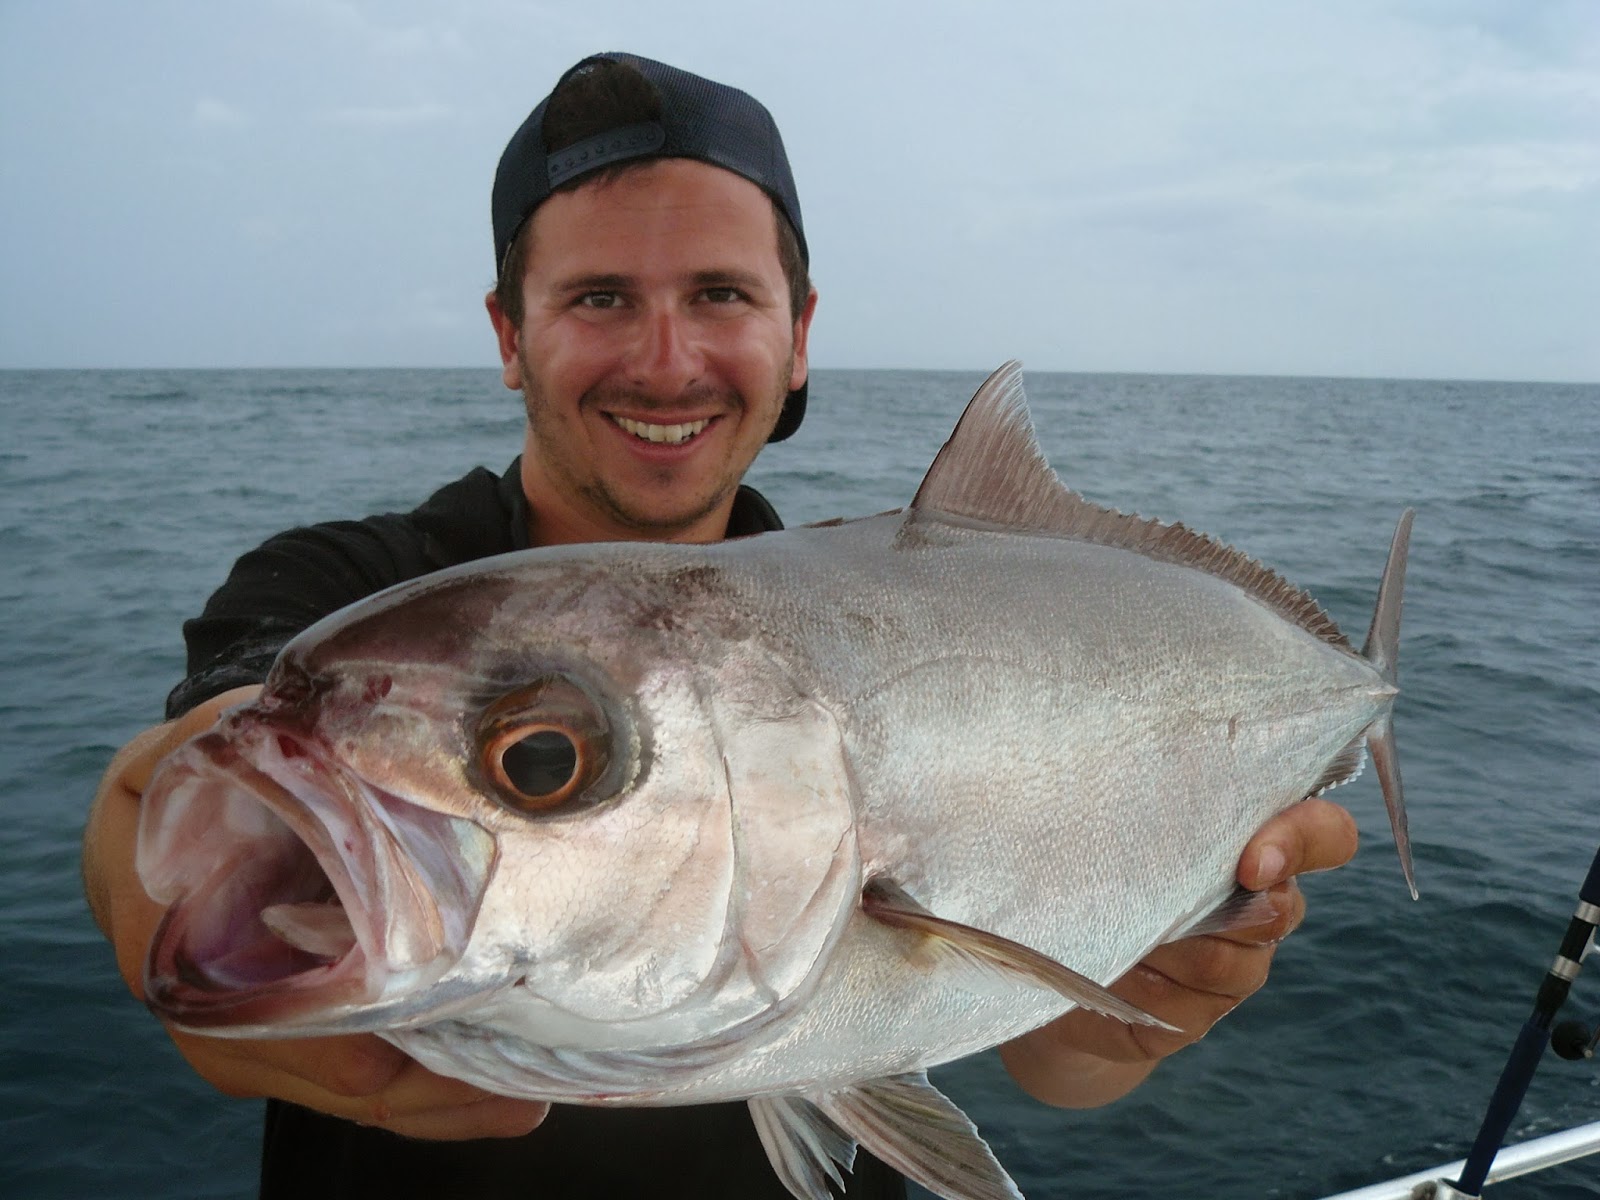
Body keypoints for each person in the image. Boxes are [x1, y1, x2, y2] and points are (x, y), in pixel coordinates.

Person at [83, 52, 1359, 1199]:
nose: (666, 359)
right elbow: (175, 780)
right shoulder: (352, 586)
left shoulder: (891, 602)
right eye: (595, 299)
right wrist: (150, 886)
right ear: (507, 336)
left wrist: (1135, 1003)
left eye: (718, 295)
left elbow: (1063, 1070)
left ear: (797, 335)